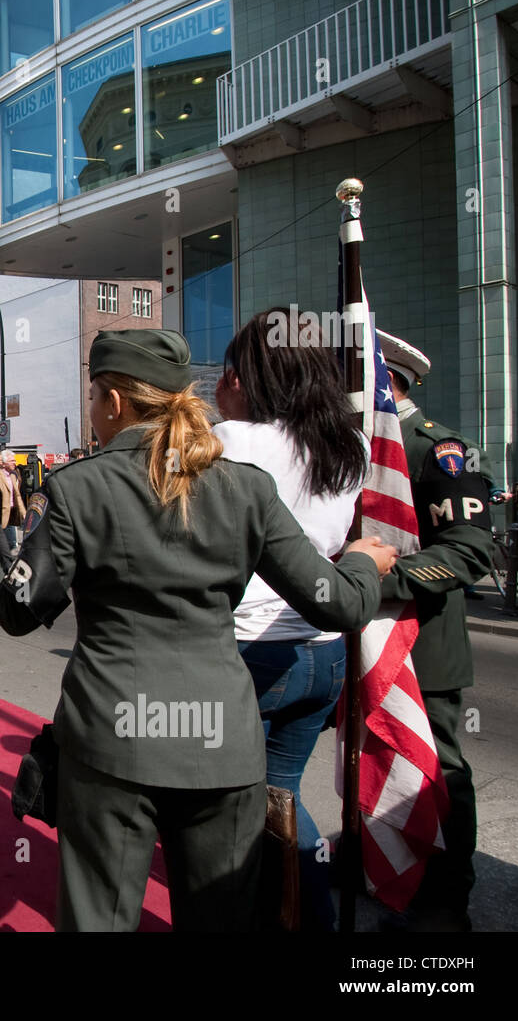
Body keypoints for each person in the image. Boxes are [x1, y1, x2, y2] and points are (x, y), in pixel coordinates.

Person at [0, 328, 397, 932]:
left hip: (112, 746)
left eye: (94, 396)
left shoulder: (78, 487)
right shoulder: (248, 488)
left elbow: (19, 607)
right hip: (222, 744)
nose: (93, 412)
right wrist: (361, 557)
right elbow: (342, 603)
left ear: (116, 402)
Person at [212, 308, 369, 930]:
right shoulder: (348, 442)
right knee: (279, 792)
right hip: (322, 646)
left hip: (252, 647)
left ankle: (298, 911)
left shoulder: (233, 441)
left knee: (236, 803)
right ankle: (296, 910)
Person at [375, 330, 494, 932]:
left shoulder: (439, 449)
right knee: (377, 761)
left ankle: (447, 897)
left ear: (385, 379)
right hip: (369, 643)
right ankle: (385, 869)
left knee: (439, 774)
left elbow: (469, 550)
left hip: (426, 644)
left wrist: (379, 581)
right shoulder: (361, 449)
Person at [0, 450, 26, 551]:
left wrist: (23, 512)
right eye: (11, 461)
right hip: (1, 514)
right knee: (1, 543)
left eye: (15, 460)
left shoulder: (13, 475)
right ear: (4, 463)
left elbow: (17, 495)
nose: (14, 462)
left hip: (12, 512)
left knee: (12, 544)